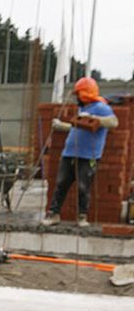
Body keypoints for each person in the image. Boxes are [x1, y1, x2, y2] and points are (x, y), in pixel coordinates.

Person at [41, 77, 118, 227]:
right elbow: (77, 128)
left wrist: (94, 118)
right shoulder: (83, 108)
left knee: (83, 187)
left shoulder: (101, 108)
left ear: (85, 94)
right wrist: (61, 125)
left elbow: (114, 122)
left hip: (88, 156)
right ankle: (53, 214)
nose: (77, 98)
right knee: (61, 184)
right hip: (69, 153)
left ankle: (82, 217)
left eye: (78, 94)